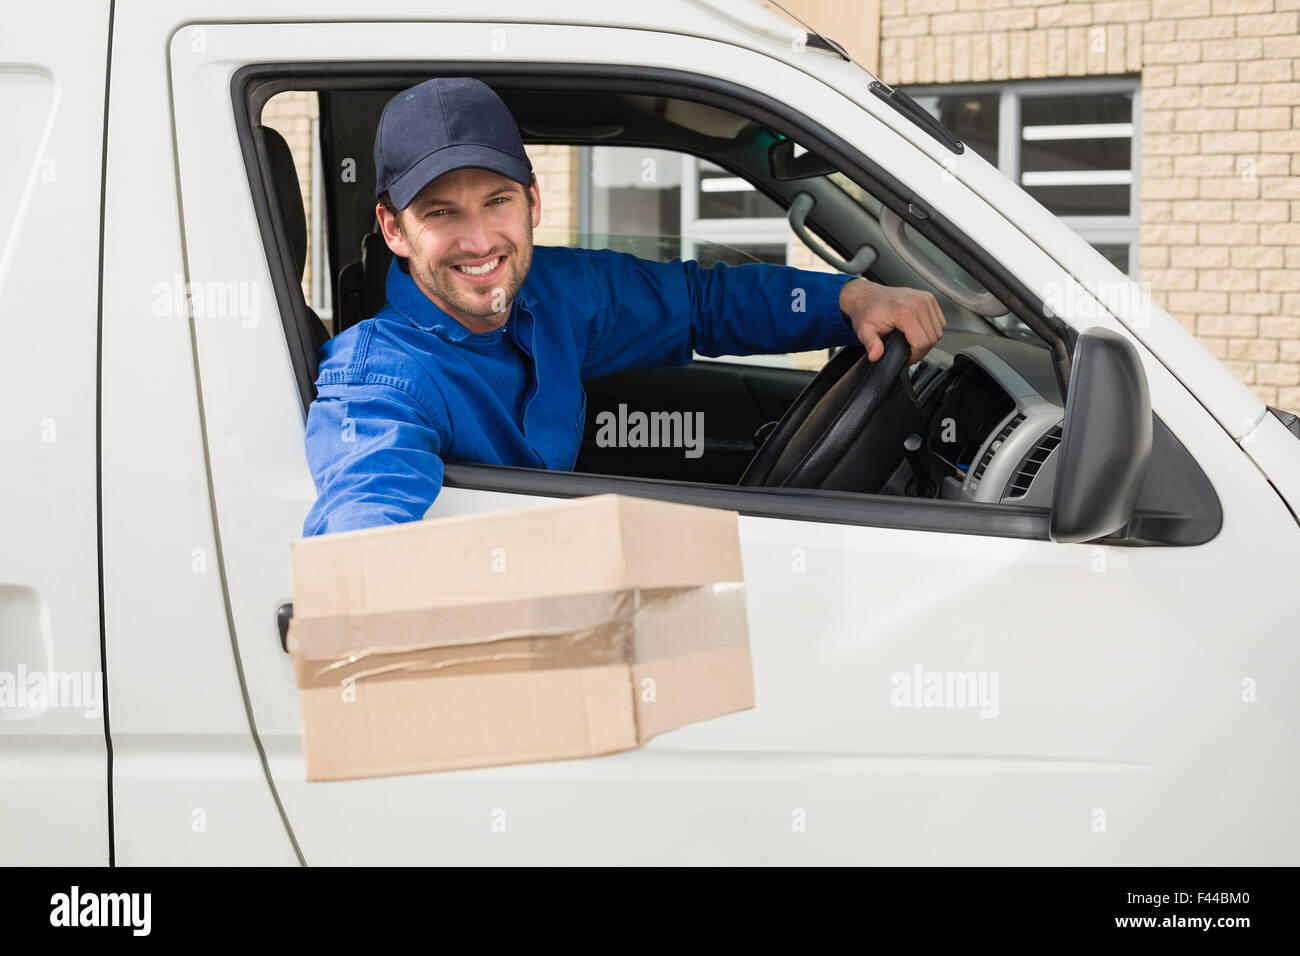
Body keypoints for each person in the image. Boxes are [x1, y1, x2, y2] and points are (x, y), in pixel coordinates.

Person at [302, 77, 944, 536]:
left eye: (496, 201)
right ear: (394, 230)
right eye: (441, 213)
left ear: (532, 200)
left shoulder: (555, 292)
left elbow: (700, 302)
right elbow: (364, 524)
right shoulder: (378, 377)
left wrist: (850, 299)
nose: (478, 241)